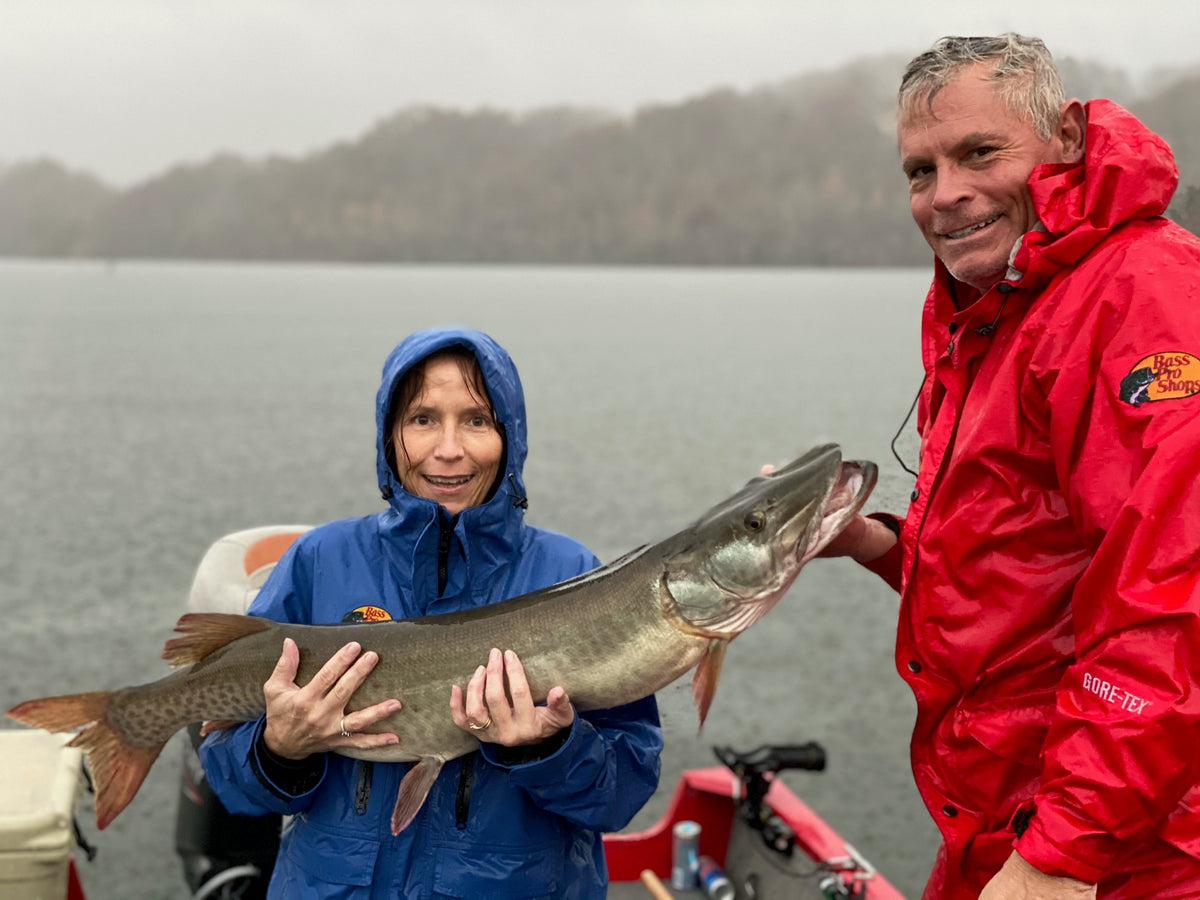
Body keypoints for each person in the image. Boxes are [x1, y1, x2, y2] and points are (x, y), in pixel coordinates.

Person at [828, 34, 1200, 900]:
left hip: (1138, 852)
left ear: (1065, 137)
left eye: (979, 153)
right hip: (1008, 825)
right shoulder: (995, 311)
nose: (945, 194)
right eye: (920, 171)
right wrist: (881, 545)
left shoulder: (1141, 297)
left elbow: (1174, 600)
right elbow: (1023, 574)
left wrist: (1061, 857)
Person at [199, 326, 662, 899]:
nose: (449, 449)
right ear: (389, 435)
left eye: (476, 420)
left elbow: (622, 791)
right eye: (422, 419)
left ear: (509, 436)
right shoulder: (318, 561)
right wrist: (279, 750)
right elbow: (234, 783)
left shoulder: (571, 573)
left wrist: (549, 751)